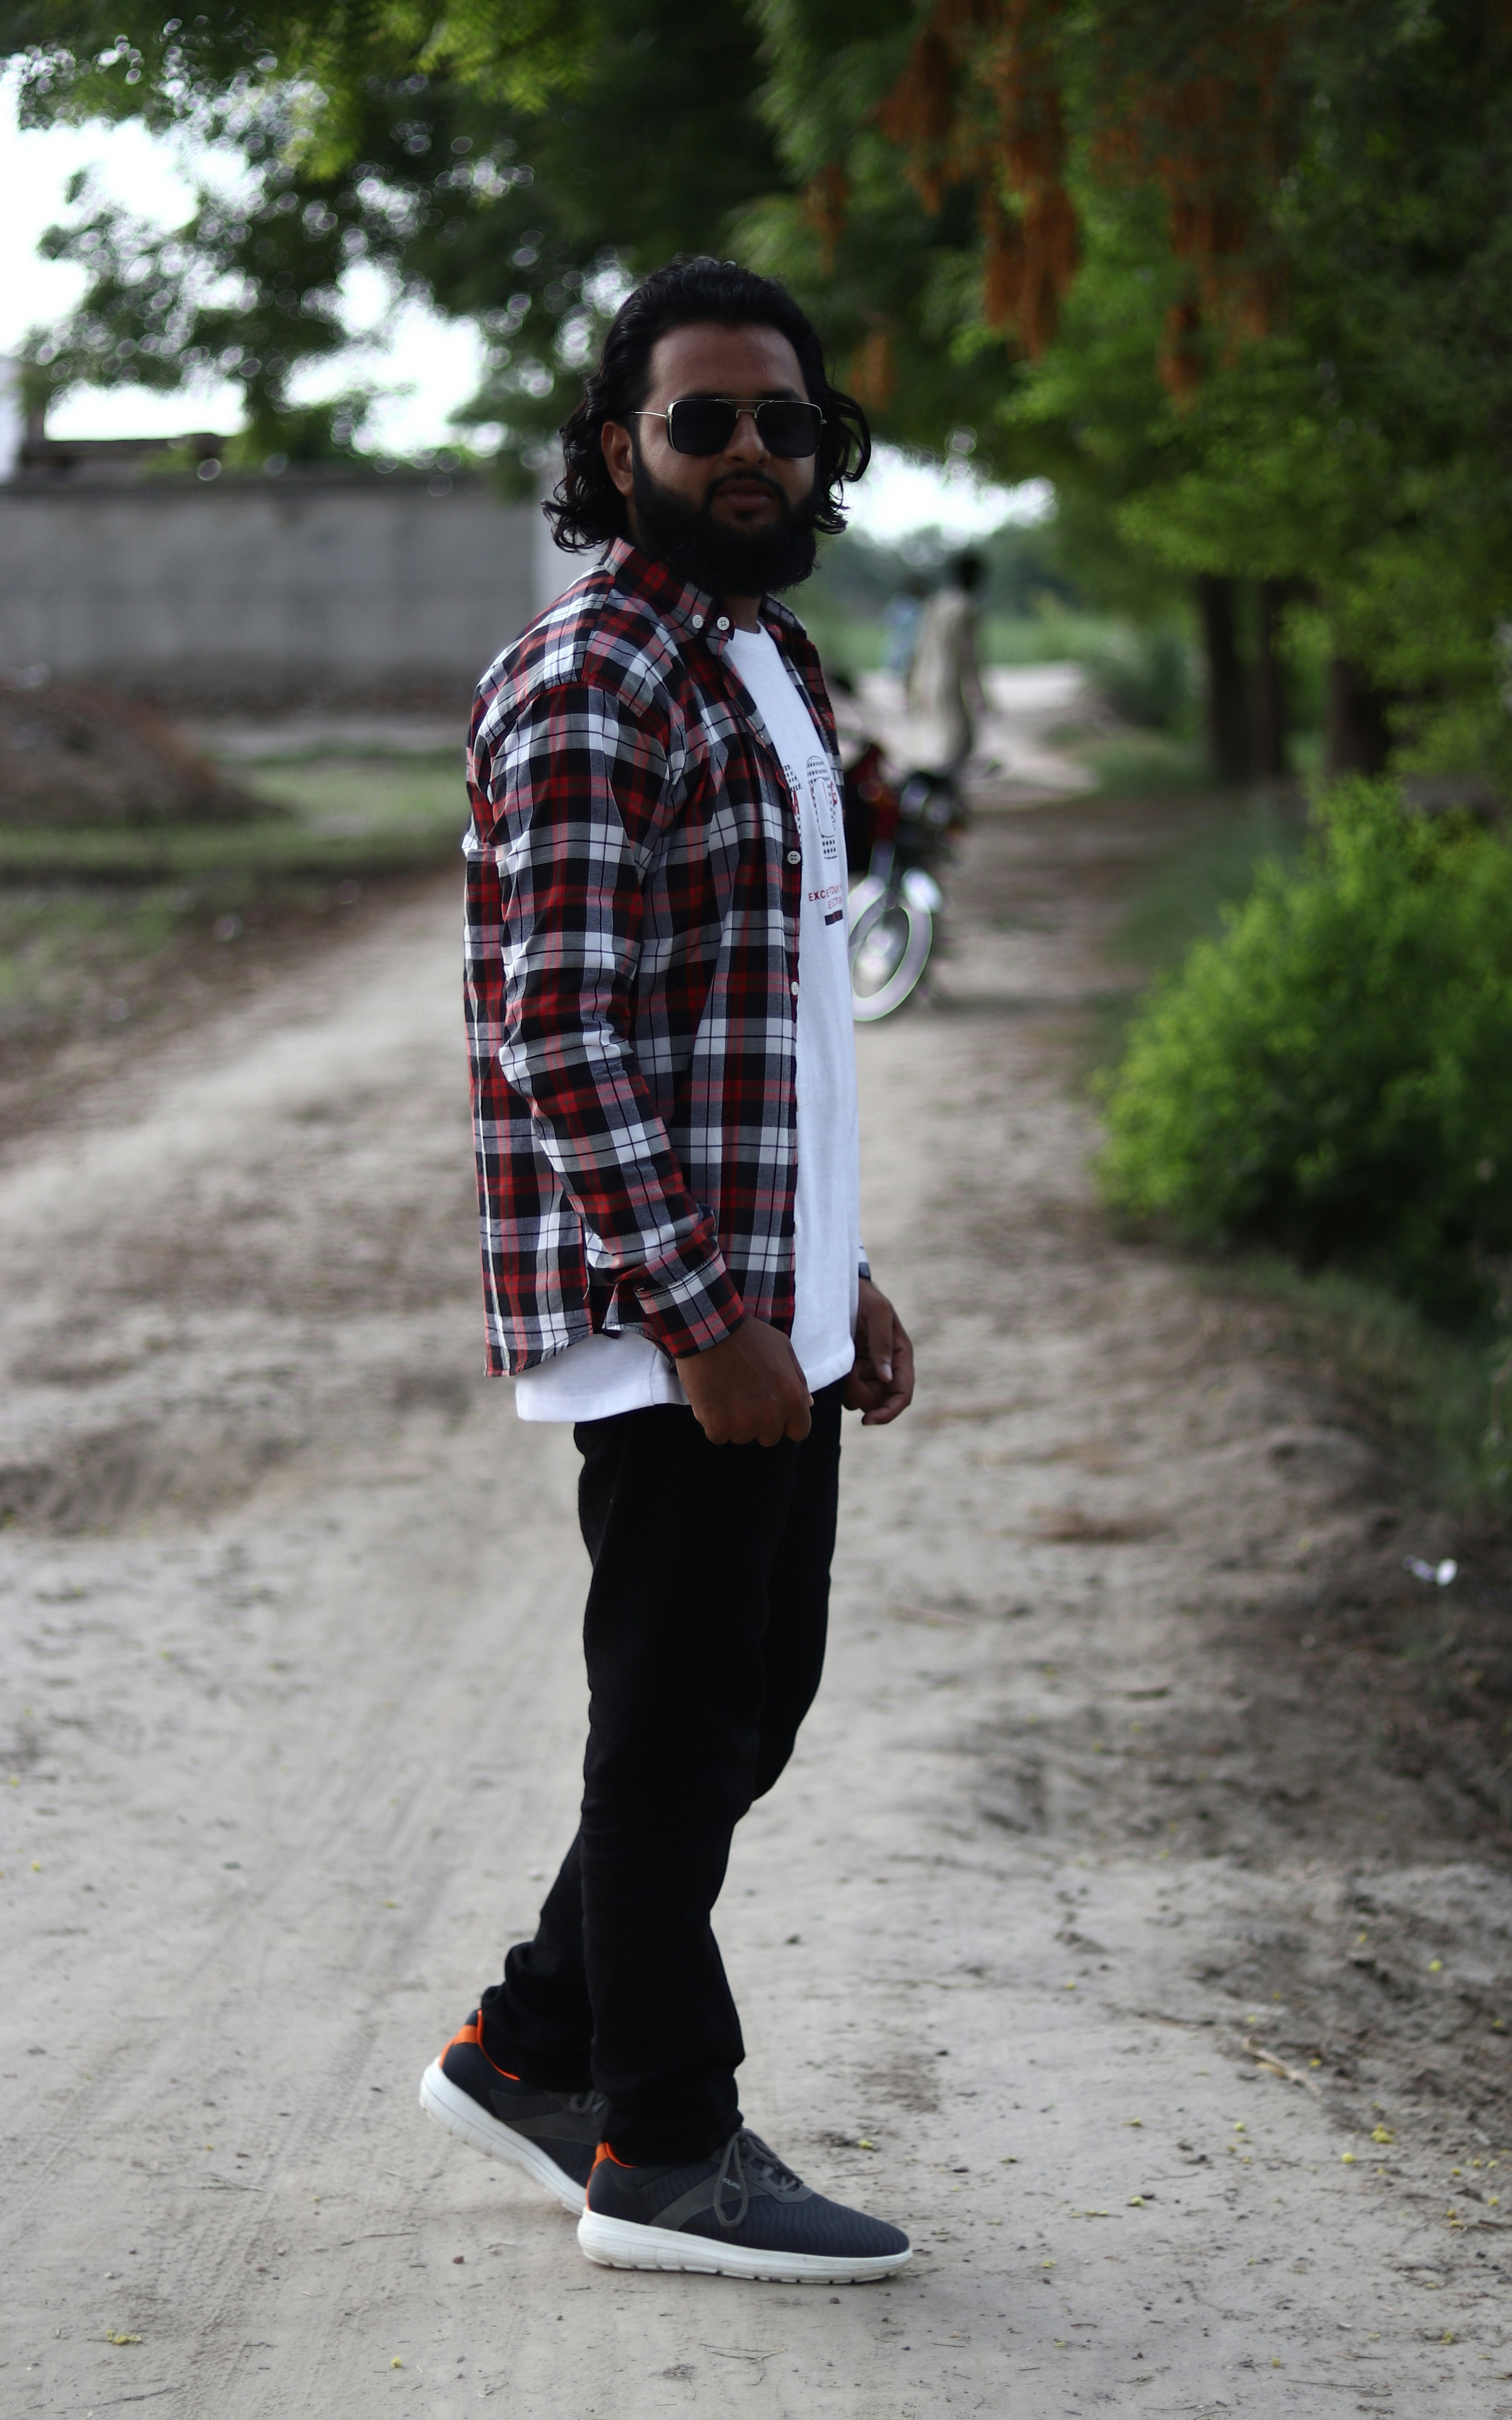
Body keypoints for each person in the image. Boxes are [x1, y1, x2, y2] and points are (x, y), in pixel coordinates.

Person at [419, 258, 917, 2287]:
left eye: (778, 421)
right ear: (614, 447)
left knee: (742, 1704)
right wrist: (705, 1313)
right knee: (671, 1723)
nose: (741, 452)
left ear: (819, 451)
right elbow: (565, 1030)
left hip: (753, 1282)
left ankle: (534, 2043)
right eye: (698, 419)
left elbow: (761, 1030)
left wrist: (834, 1278)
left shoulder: (762, 663)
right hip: (663, 1308)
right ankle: (663, 2141)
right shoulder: (591, 677)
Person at [905, 550, 987, 772]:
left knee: (933, 735)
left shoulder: (937, 602)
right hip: (949, 682)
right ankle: (940, 787)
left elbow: (918, 647)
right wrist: (980, 694)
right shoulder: (965, 606)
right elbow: (968, 656)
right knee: (957, 740)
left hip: (924, 678)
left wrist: (909, 682)